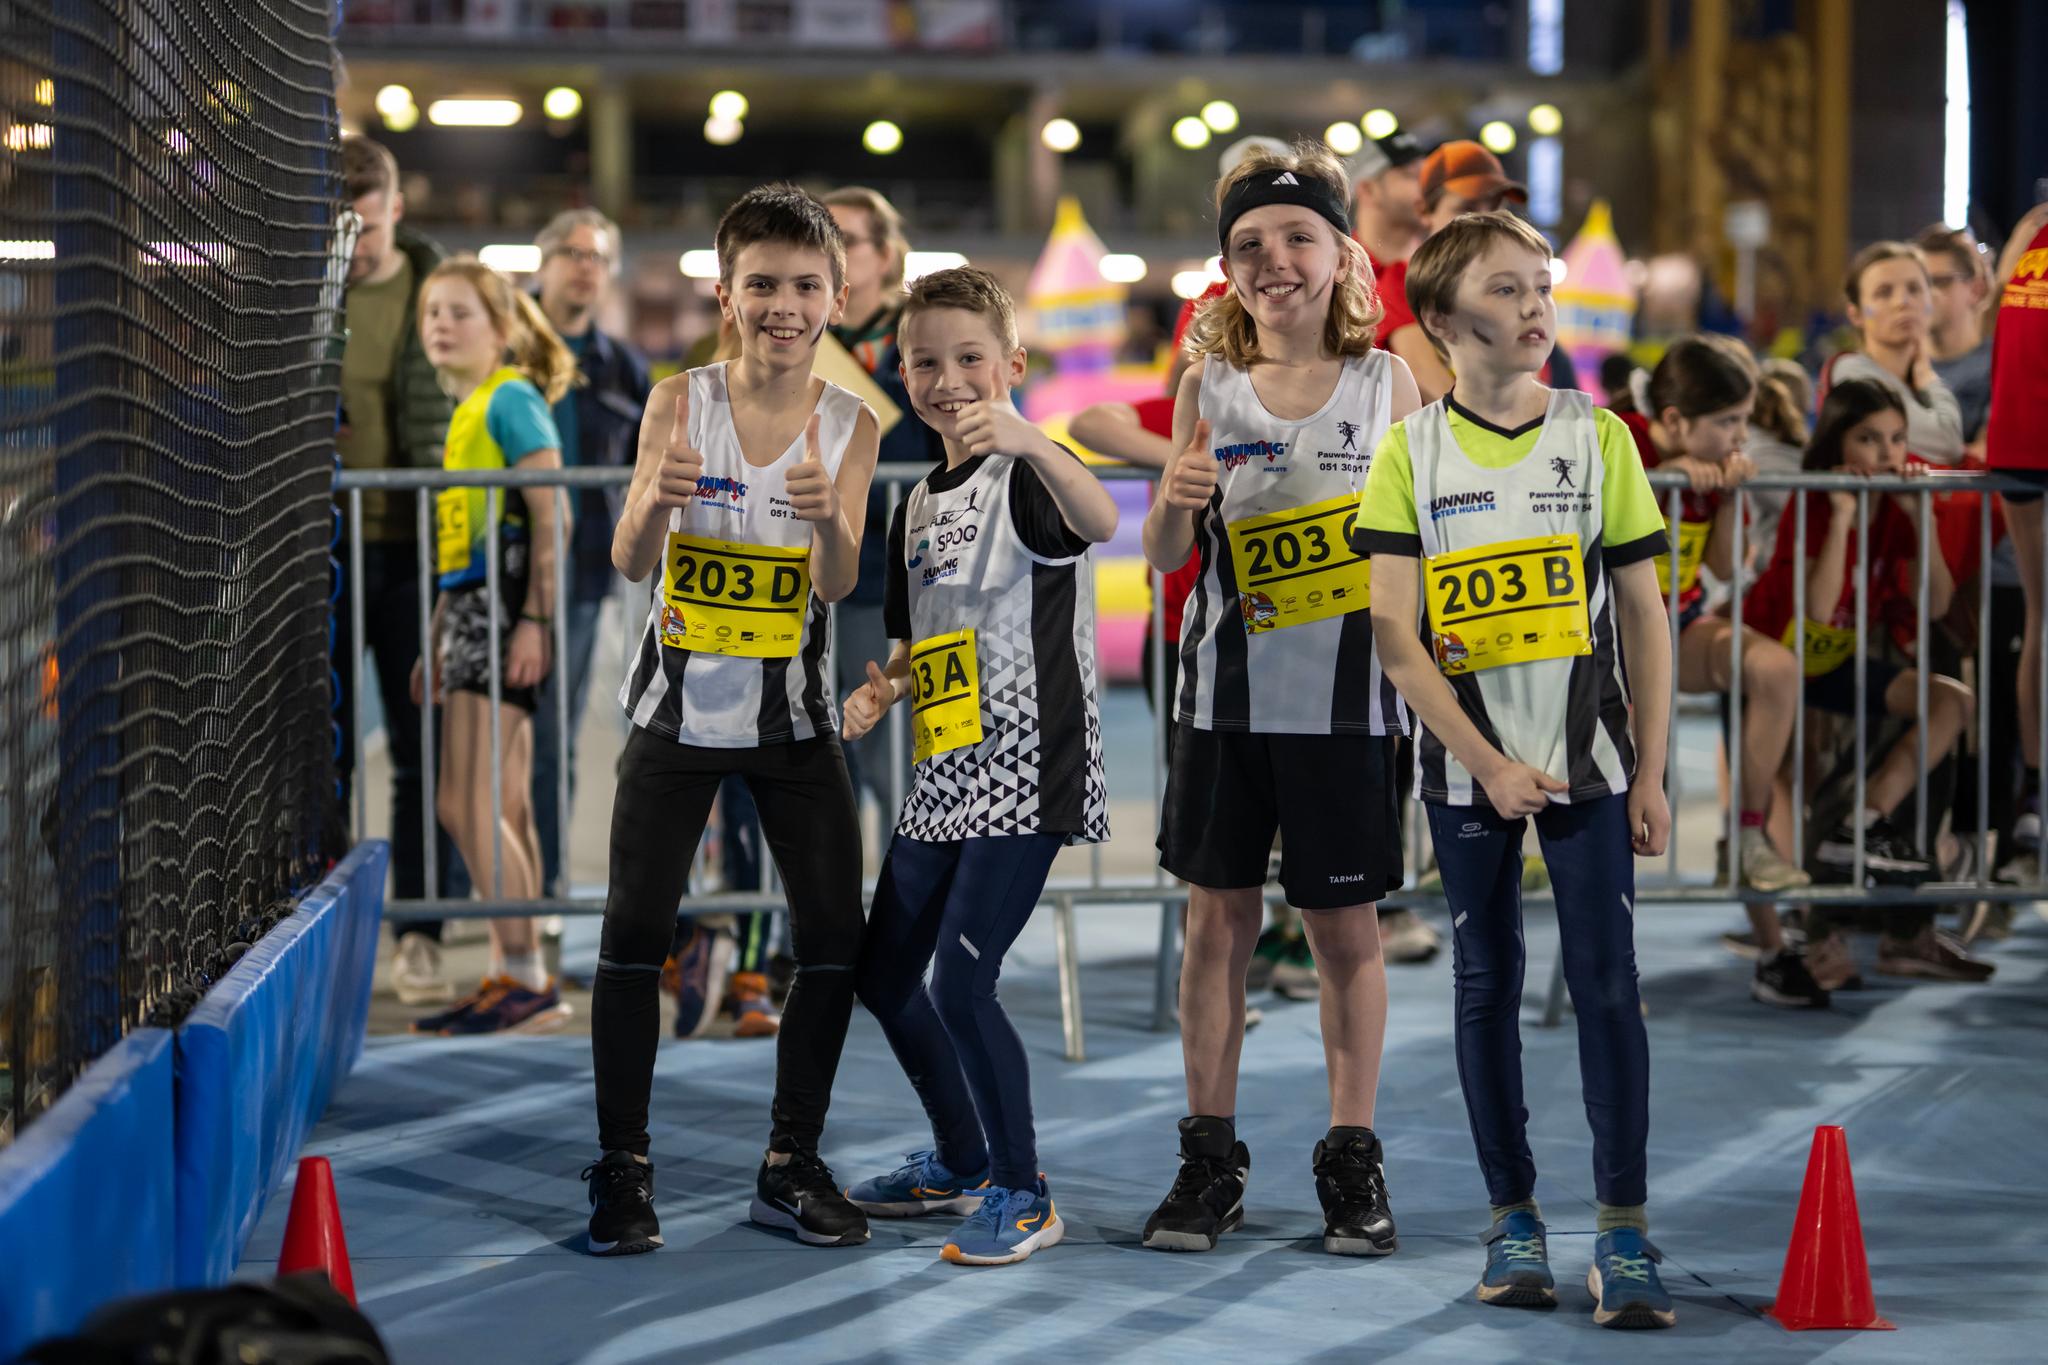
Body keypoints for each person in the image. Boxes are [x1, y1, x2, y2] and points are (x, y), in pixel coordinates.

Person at [1362, 210, 1678, 1328]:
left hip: (1589, 765)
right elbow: (1395, 635)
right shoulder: (1409, 452)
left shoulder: (1598, 439)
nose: (1533, 306)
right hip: (1467, 772)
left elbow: (1642, 610)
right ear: (1442, 323)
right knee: (1483, 984)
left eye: (1538, 287)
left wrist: (1648, 769)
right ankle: (1511, 1217)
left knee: (1605, 988)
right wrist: (1486, 762)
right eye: (1504, 291)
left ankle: (1623, 1230)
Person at [584, 185, 880, 1257]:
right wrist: (655, 502)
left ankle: (789, 1161)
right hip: (671, 718)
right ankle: (623, 1165)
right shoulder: (677, 400)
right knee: (631, 938)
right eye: (762, 284)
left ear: (837, 297)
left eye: (805, 286)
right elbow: (624, 558)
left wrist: (826, 524)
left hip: (793, 723)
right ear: (726, 291)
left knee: (833, 941)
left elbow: (839, 585)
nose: (783, 305)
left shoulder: (853, 422)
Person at [1139, 140, 1419, 1259]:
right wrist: (1173, 492)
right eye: (1247, 245)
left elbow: (1412, 542)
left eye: (1295, 237)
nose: (1272, 261)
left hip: (1347, 705)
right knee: (1215, 926)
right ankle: (1208, 1158)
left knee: (1343, 931)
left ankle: (1350, 1158)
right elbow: (1167, 547)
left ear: (1340, 252)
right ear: (1225, 268)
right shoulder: (1203, 383)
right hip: (1224, 698)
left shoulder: (1384, 380)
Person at [839, 266, 1118, 1266]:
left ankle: (1024, 1190)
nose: (946, 379)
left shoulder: (1031, 474)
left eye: (968, 359)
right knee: (881, 976)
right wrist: (885, 694)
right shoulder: (913, 501)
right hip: (943, 771)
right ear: (898, 370)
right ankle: (958, 1161)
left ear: (1010, 365)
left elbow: (1098, 522)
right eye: (924, 361)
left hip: (1028, 767)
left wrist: (1037, 437)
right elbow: (920, 639)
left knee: (962, 986)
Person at [1740, 378, 1990, 981]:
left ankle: (1864, 823)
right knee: (1780, 788)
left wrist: (1920, 517)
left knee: (1950, 702)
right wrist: (1846, 518)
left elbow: (1934, 604)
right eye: (1868, 439)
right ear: (1837, 445)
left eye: (1896, 439)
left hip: (1837, 665)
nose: (1885, 453)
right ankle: (1793, 940)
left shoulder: (1897, 509)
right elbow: (1818, 614)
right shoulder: (1820, 497)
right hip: (1775, 660)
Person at [405, 258, 577, 1035]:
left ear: (501, 330)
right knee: (498, 799)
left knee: (463, 798)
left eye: (459, 312)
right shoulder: (474, 406)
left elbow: (552, 519)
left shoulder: (511, 399)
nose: (439, 324)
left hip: (506, 612)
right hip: (474, 611)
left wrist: (535, 620)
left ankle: (527, 976)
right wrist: (437, 634)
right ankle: (516, 971)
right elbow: (456, 543)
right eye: (431, 312)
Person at [333, 135, 457, 1005]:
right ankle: (327, 919)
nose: (355, 247)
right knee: (322, 748)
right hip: (321, 547)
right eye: (339, 230)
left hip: (412, 544)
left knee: (420, 749)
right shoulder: (302, 292)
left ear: (396, 211)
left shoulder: (436, 292)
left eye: (367, 229)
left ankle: (419, 930)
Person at [527, 210, 651, 901]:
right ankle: (515, 887)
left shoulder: (622, 366)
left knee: (571, 734)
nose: (583, 266)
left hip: (593, 573)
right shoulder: (507, 349)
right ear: (543, 261)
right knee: (517, 740)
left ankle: (555, 887)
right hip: (517, 569)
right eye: (570, 252)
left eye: (597, 257)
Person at [1984, 202, 2048, 885]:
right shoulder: (2035, 224)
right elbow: (1996, 323)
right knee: (2042, 619)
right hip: (2022, 442)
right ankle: (2034, 787)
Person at [1823, 242, 1964, 466]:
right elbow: (1948, 443)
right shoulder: (1853, 372)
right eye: (1884, 293)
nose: (1903, 302)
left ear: (1931, 299)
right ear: (1856, 314)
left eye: (1914, 289)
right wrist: (1928, 377)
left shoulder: (1918, 381)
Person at [1914, 224, 1994, 447]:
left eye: (1940, 282)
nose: (1926, 295)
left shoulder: (1999, 364)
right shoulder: (1898, 362)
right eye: (1917, 285)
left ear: (1975, 290)